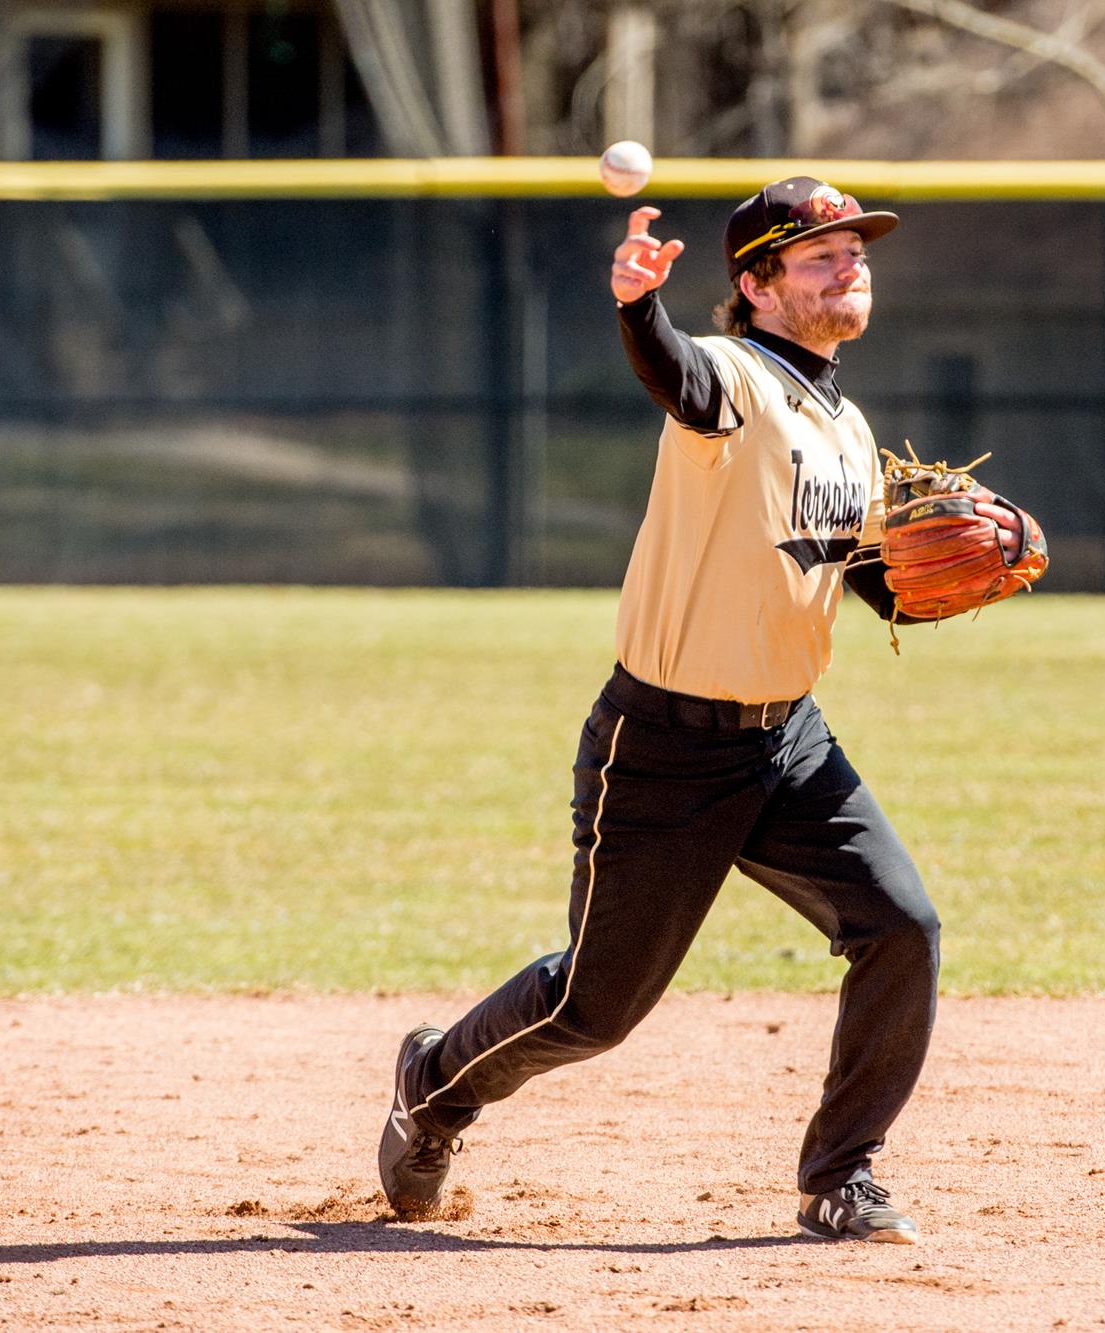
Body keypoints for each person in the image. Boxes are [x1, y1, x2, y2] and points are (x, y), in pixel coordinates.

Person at [378, 176, 1023, 1245]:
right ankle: (433, 1087)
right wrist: (638, 306)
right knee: (594, 1009)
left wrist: (978, 559)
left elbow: (876, 583)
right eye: (821, 254)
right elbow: (673, 373)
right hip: (664, 747)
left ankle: (841, 1175)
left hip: (789, 741)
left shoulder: (848, 426)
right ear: (758, 284)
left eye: (856, 251)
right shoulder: (733, 377)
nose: (851, 265)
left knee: (901, 927)